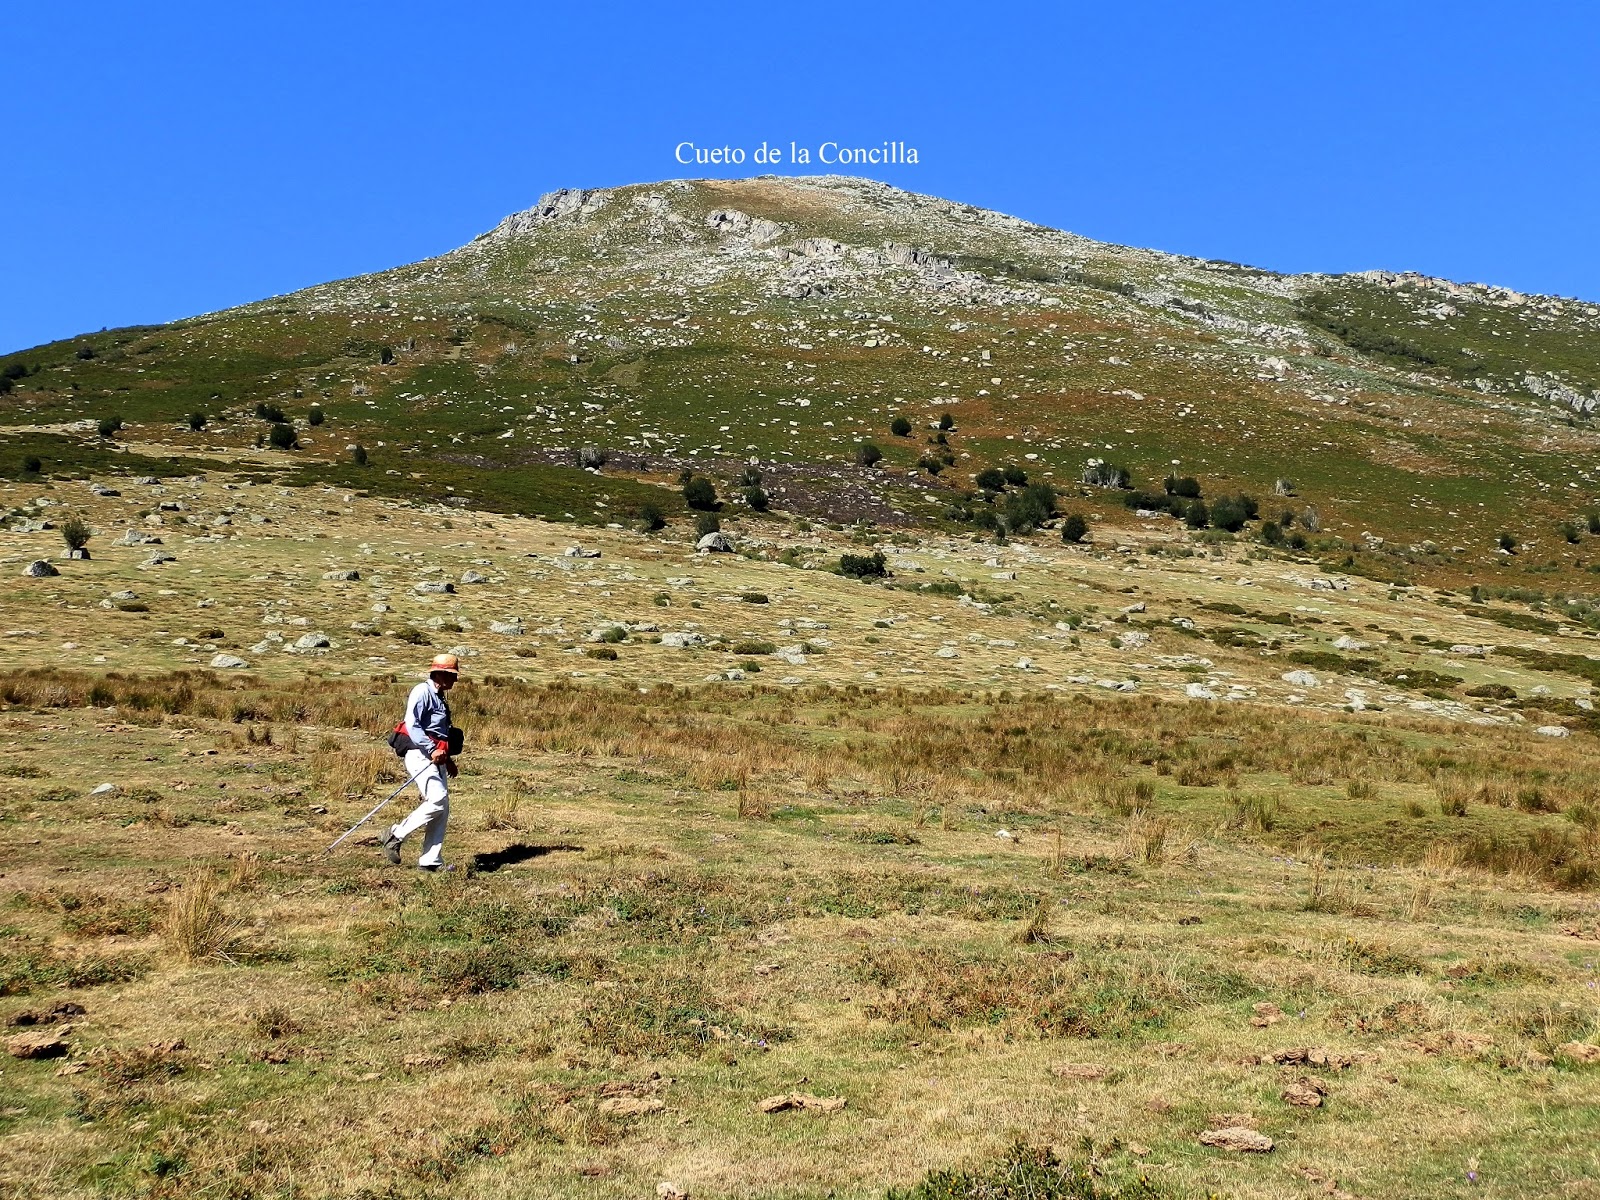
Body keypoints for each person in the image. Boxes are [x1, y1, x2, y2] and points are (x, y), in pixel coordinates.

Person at [380, 653, 461, 871]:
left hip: (436, 757)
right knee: (438, 799)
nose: (455, 679)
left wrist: (447, 759)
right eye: (452, 675)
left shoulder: (440, 697)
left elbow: (439, 732)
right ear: (440, 674)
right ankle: (395, 835)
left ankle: (430, 861)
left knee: (442, 808)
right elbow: (412, 724)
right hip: (420, 754)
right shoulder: (422, 691)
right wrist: (433, 749)